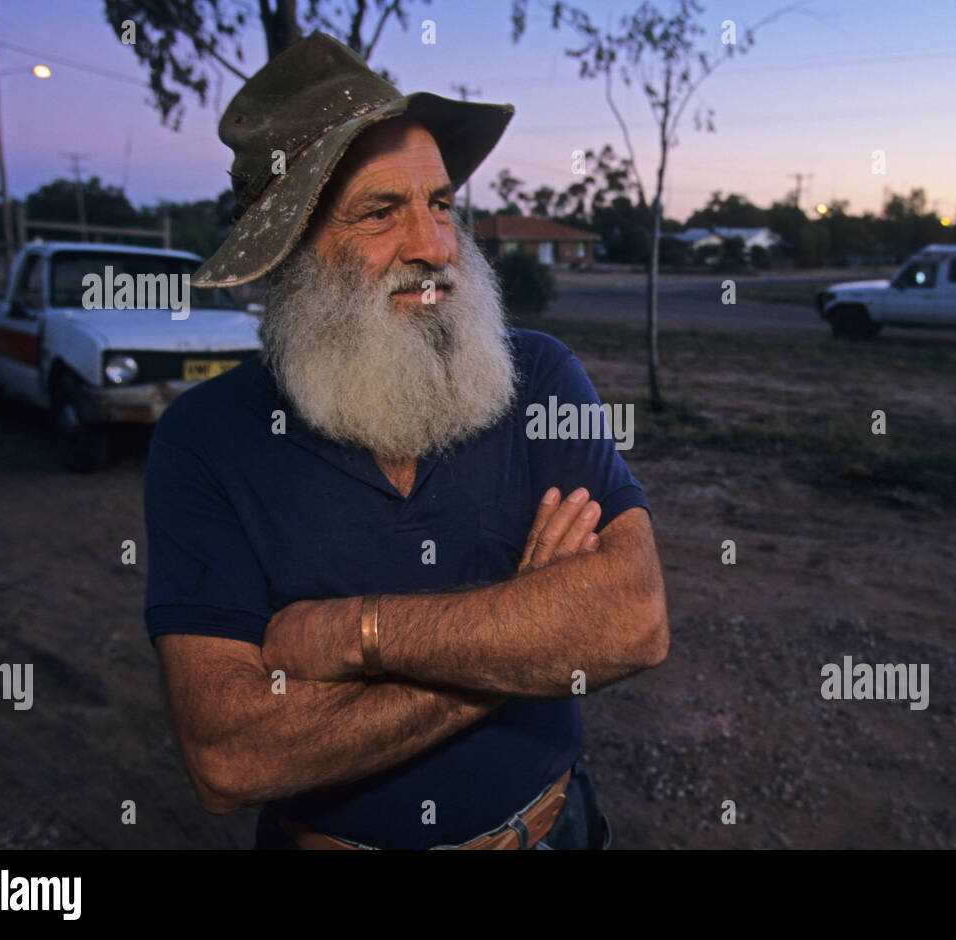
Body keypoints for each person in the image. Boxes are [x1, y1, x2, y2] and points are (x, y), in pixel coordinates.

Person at [143, 32, 669, 850]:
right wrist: (523, 641)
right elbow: (232, 757)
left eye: (442, 203)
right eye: (382, 212)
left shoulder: (537, 376)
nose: (435, 247)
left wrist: (357, 634)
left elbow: (633, 619)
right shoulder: (206, 440)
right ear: (288, 257)